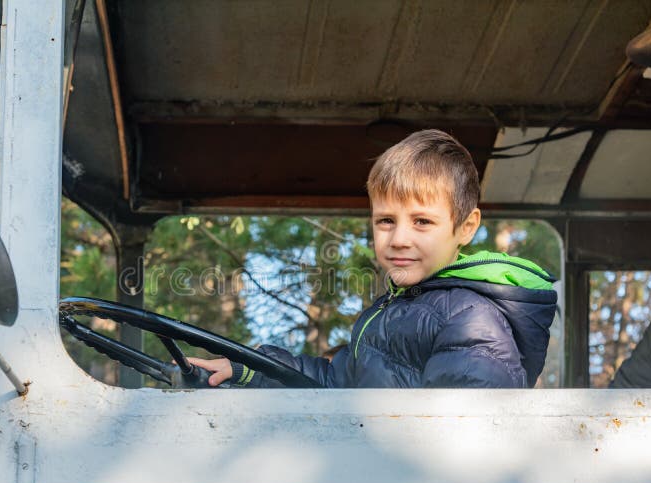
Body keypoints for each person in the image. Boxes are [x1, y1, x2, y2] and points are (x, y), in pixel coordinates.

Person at [189, 129, 558, 388]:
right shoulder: (394, 309)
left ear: (465, 227)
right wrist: (251, 370)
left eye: (422, 222)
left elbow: (461, 442)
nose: (399, 239)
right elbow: (335, 384)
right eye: (386, 221)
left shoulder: (470, 318)